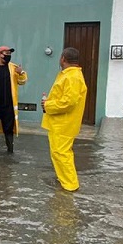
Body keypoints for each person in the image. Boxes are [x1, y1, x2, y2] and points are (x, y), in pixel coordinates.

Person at [41, 47, 87, 192]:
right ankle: (65, 180)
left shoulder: (72, 77)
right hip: (60, 122)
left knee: (62, 154)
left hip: (64, 123)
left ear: (63, 59)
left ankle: (70, 184)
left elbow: (68, 102)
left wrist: (47, 105)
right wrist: (48, 103)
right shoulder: (68, 75)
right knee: (59, 153)